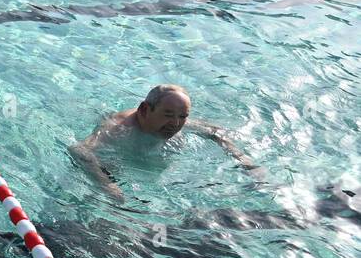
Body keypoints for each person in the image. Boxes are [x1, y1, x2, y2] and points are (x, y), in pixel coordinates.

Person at [69, 84, 263, 202]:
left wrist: (243, 159)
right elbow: (79, 150)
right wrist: (109, 186)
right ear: (144, 110)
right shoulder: (118, 129)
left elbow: (215, 132)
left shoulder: (174, 122)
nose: (176, 124)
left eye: (183, 117)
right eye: (168, 115)